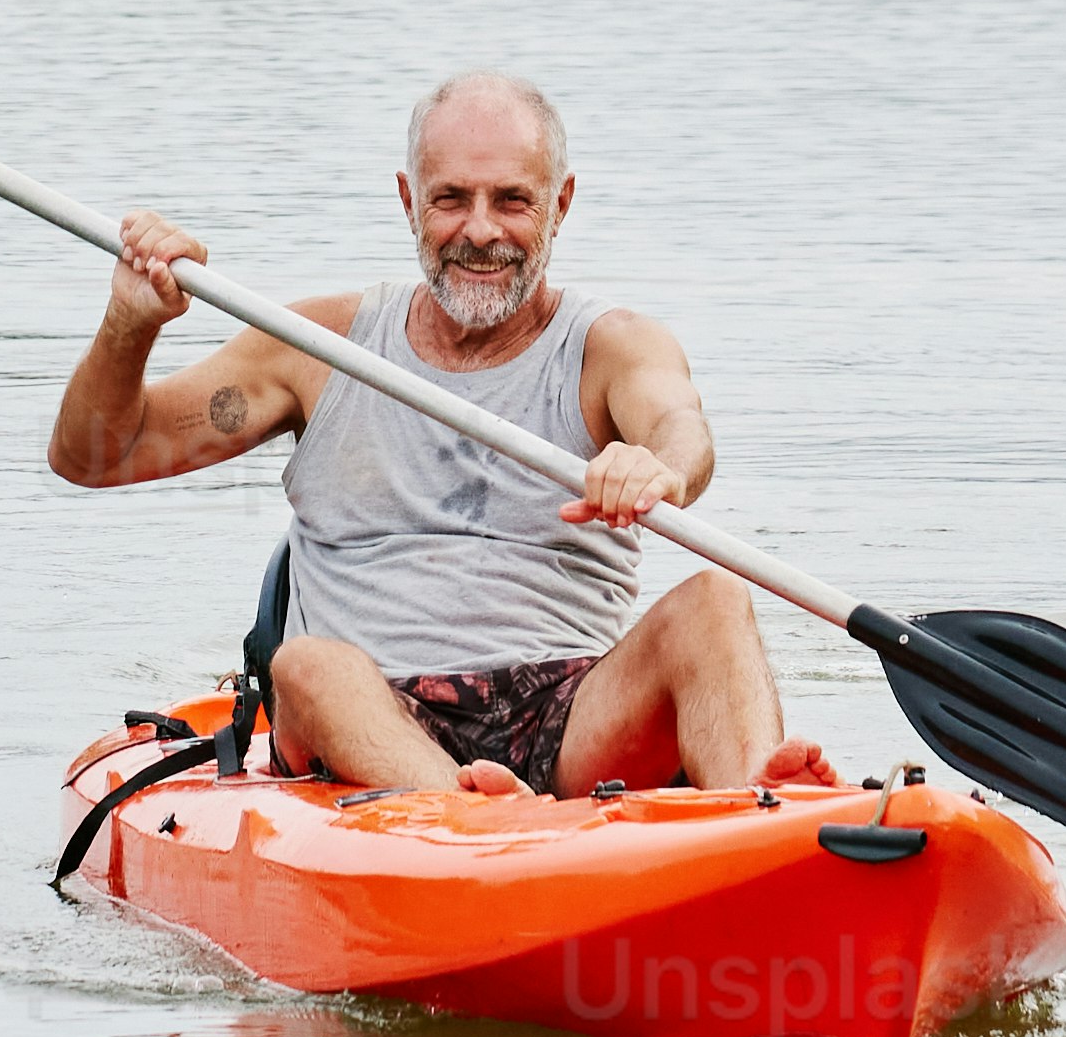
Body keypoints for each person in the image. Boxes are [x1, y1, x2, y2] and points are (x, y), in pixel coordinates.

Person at [42, 65, 788, 799]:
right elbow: (95, 455)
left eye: (512, 201)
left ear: (560, 204)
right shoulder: (315, 345)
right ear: (407, 200)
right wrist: (129, 324)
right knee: (305, 666)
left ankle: (771, 826)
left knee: (714, 604)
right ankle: (482, 825)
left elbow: (678, 426)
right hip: (373, 718)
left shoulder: (614, 348)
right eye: (451, 200)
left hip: (568, 715)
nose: (481, 231)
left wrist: (657, 469)